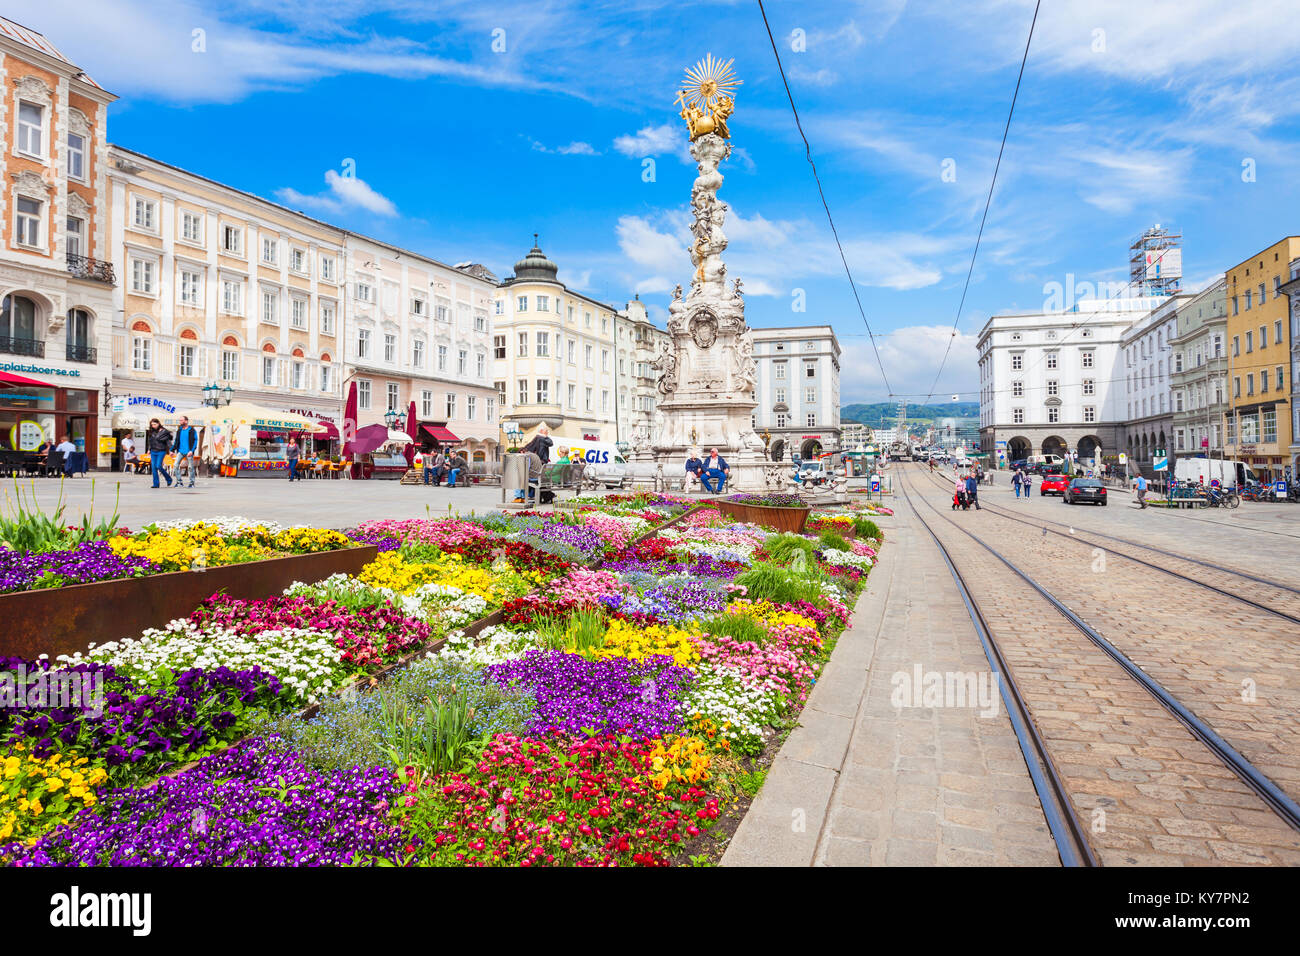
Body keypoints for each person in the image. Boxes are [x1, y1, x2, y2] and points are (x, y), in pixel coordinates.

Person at [514, 426, 552, 503]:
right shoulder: (539, 439)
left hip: (537, 471)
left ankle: (519, 497)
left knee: (520, 478)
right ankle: (547, 495)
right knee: (525, 477)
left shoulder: (540, 438)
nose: (547, 432)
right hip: (540, 467)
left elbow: (550, 443)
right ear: (541, 431)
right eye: (546, 430)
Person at [171, 416, 199, 489]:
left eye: (181, 420)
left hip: (189, 452)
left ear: (186, 421)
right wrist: (172, 450)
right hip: (180, 451)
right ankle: (179, 482)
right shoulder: (179, 430)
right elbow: (176, 441)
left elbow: (195, 441)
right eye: (179, 420)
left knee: (190, 467)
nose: (180, 422)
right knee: (175, 465)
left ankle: (191, 483)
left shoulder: (192, 430)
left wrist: (192, 451)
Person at [146, 418, 173, 488]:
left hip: (161, 451)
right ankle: (156, 484)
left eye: (154, 424)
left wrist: (171, 450)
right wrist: (149, 449)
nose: (153, 426)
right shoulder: (152, 431)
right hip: (153, 451)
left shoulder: (164, 431)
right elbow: (151, 441)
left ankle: (169, 478)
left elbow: (168, 442)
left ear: (158, 423)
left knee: (158, 466)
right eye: (152, 425)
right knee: (154, 468)